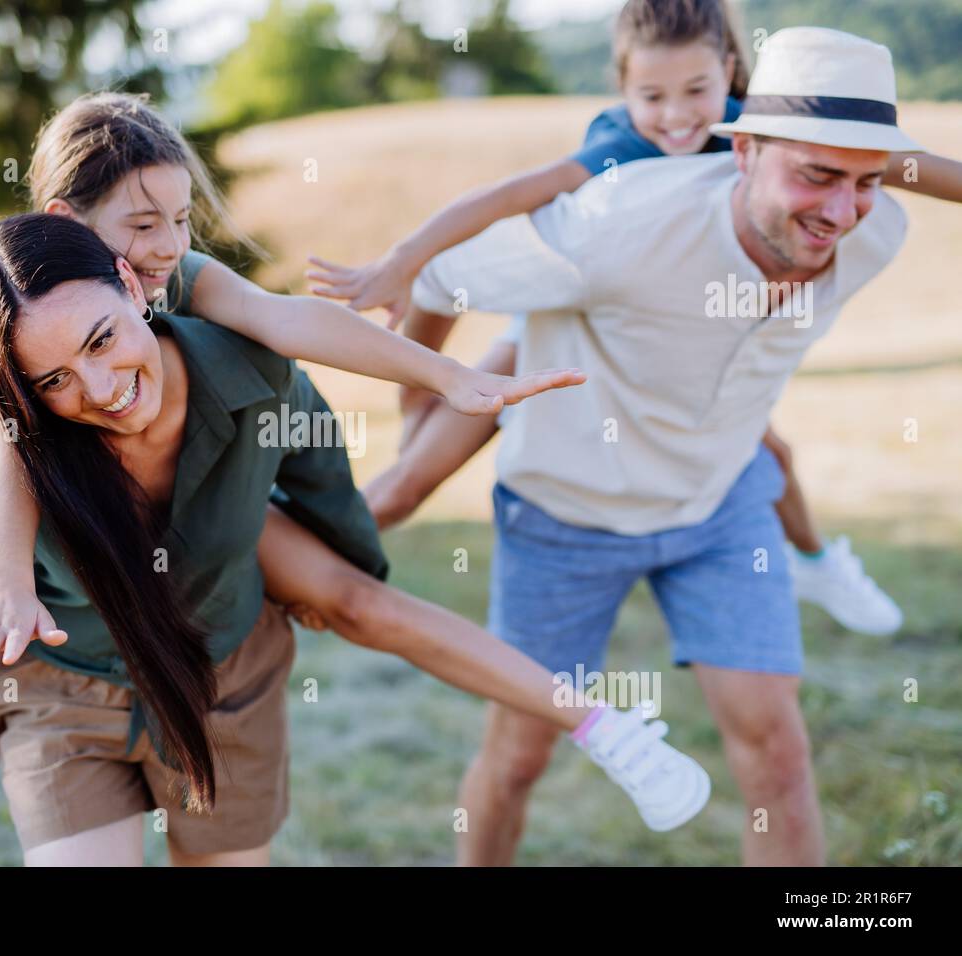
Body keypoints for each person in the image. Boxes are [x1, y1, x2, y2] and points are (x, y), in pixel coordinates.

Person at [0, 98, 711, 865]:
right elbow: (5, 427)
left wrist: (450, 379)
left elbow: (297, 325)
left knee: (356, 599)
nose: (168, 242)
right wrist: (6, 582)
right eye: (144, 223)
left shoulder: (189, 291)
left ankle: (603, 726)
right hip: (78, 666)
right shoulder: (18, 365)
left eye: (179, 219)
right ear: (73, 222)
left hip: (218, 606)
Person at [319, 26, 937, 866]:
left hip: (720, 505)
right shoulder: (612, 223)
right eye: (817, 176)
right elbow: (438, 278)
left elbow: (903, 179)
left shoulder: (874, 233)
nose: (839, 211)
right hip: (565, 515)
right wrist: (418, 418)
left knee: (779, 757)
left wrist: (857, 179)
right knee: (520, 757)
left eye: (864, 183)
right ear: (743, 148)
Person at [310, 0, 962, 637]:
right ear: (622, 89)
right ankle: (280, 565)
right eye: (651, 97)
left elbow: (910, 167)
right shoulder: (620, 147)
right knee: (406, 484)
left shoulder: (756, 125)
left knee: (770, 454)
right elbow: (504, 202)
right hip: (555, 314)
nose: (677, 117)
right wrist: (417, 379)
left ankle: (818, 563)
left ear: (729, 72)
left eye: (696, 90)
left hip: (663, 341)